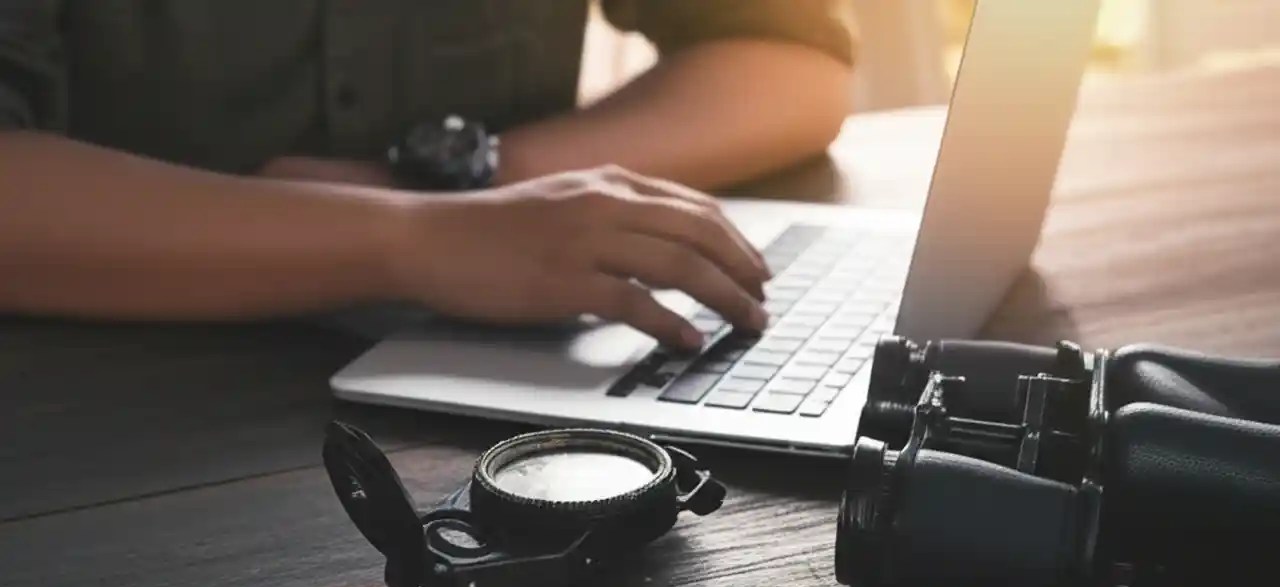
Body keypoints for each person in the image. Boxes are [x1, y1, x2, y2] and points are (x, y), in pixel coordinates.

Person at [0, 1, 857, 351]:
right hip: (103, 397)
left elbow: (791, 62)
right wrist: (415, 236)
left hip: (489, 368)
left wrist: (490, 182)